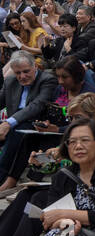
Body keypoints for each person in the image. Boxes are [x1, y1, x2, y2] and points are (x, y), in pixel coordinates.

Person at [0, 51, 58, 190]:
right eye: (18, 73)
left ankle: (3, 177)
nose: (22, 76)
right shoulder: (10, 81)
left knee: (15, 131)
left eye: (26, 71)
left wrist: (8, 123)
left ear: (35, 67)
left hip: (37, 124)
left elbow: (36, 106)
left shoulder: (47, 79)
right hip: (14, 122)